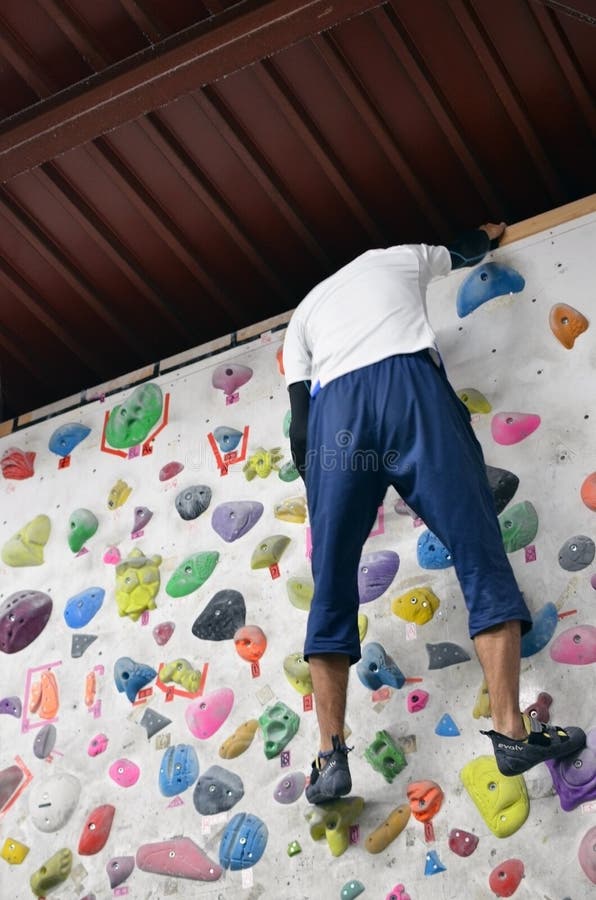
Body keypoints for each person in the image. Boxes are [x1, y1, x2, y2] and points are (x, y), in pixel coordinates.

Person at [283, 223, 586, 804]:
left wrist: (326, 490)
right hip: (407, 385)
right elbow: (467, 246)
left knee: (332, 587)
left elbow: (300, 425)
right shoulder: (398, 255)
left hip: (334, 414)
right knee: (477, 550)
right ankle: (511, 731)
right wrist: (487, 232)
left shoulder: (305, 311)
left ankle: (330, 758)